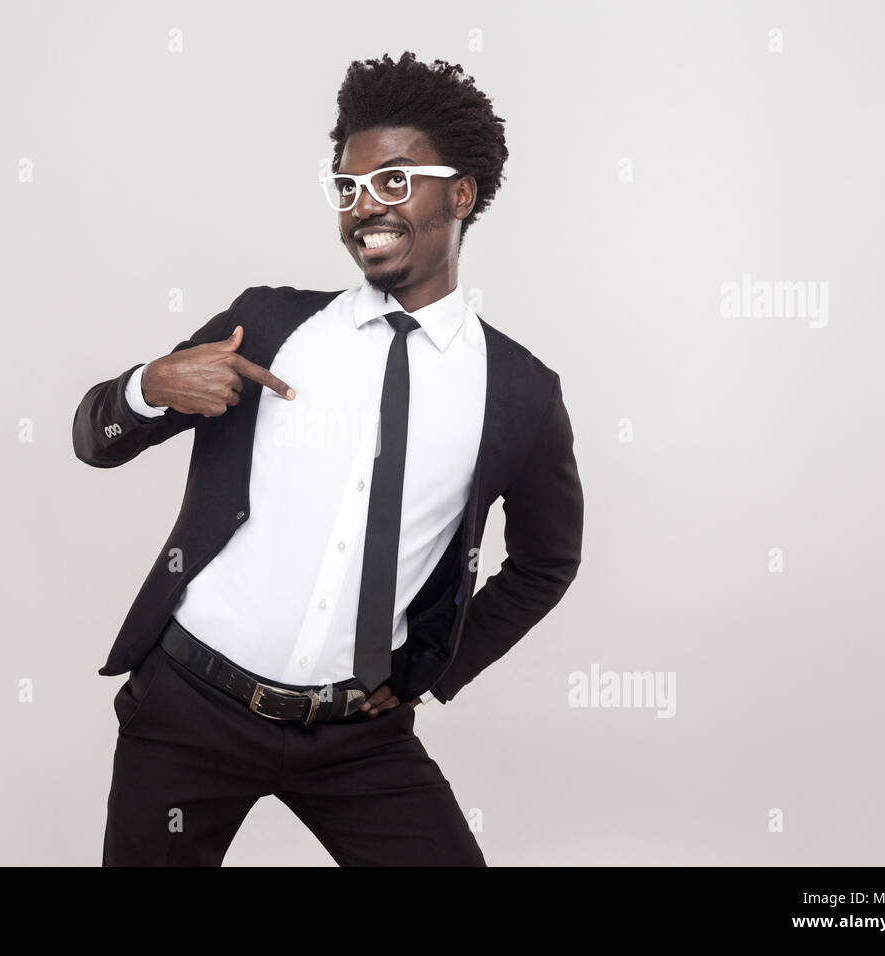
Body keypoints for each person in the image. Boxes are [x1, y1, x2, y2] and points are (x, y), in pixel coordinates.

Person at [73, 51, 584, 866]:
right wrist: (151, 386)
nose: (361, 208)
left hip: (359, 740)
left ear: (461, 194)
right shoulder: (268, 324)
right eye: (346, 188)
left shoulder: (520, 392)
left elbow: (546, 563)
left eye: (392, 181)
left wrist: (427, 669)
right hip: (188, 711)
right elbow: (93, 438)